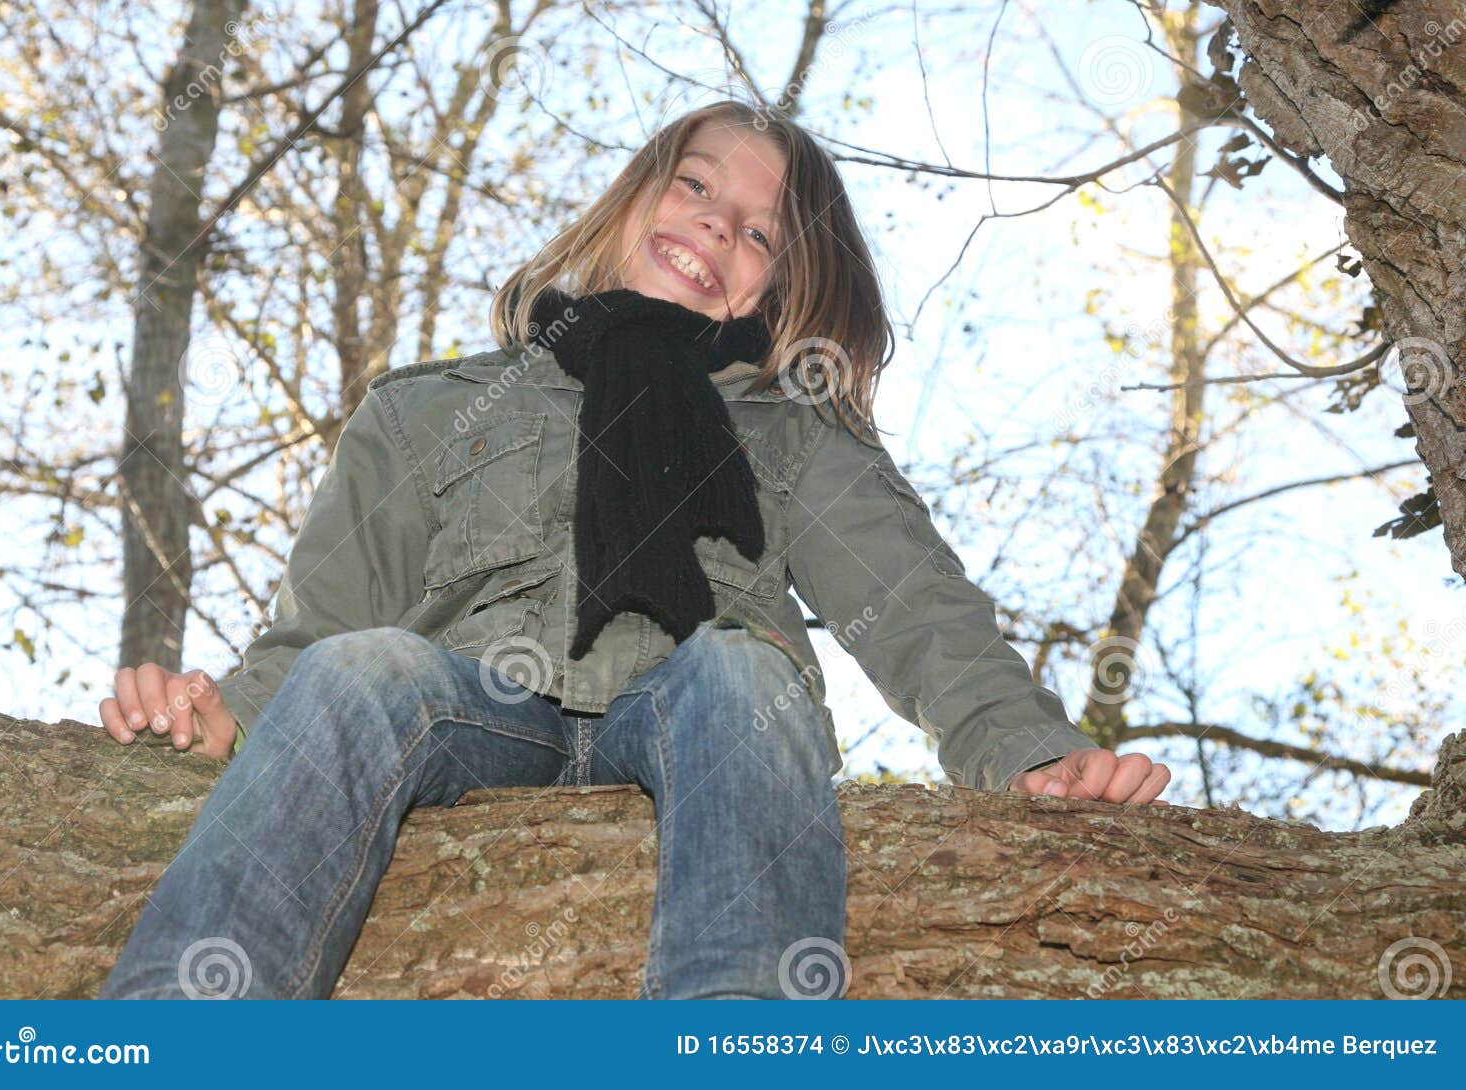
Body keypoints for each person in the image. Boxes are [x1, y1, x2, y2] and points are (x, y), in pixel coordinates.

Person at [97, 99, 1170, 1001]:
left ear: (779, 289)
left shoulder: (792, 430)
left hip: (694, 717)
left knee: (747, 670)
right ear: (632, 196)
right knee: (360, 667)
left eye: (760, 234)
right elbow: (320, 629)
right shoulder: (428, 407)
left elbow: (921, 612)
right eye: (696, 185)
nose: (716, 226)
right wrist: (228, 712)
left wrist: (1029, 751)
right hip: (469, 708)